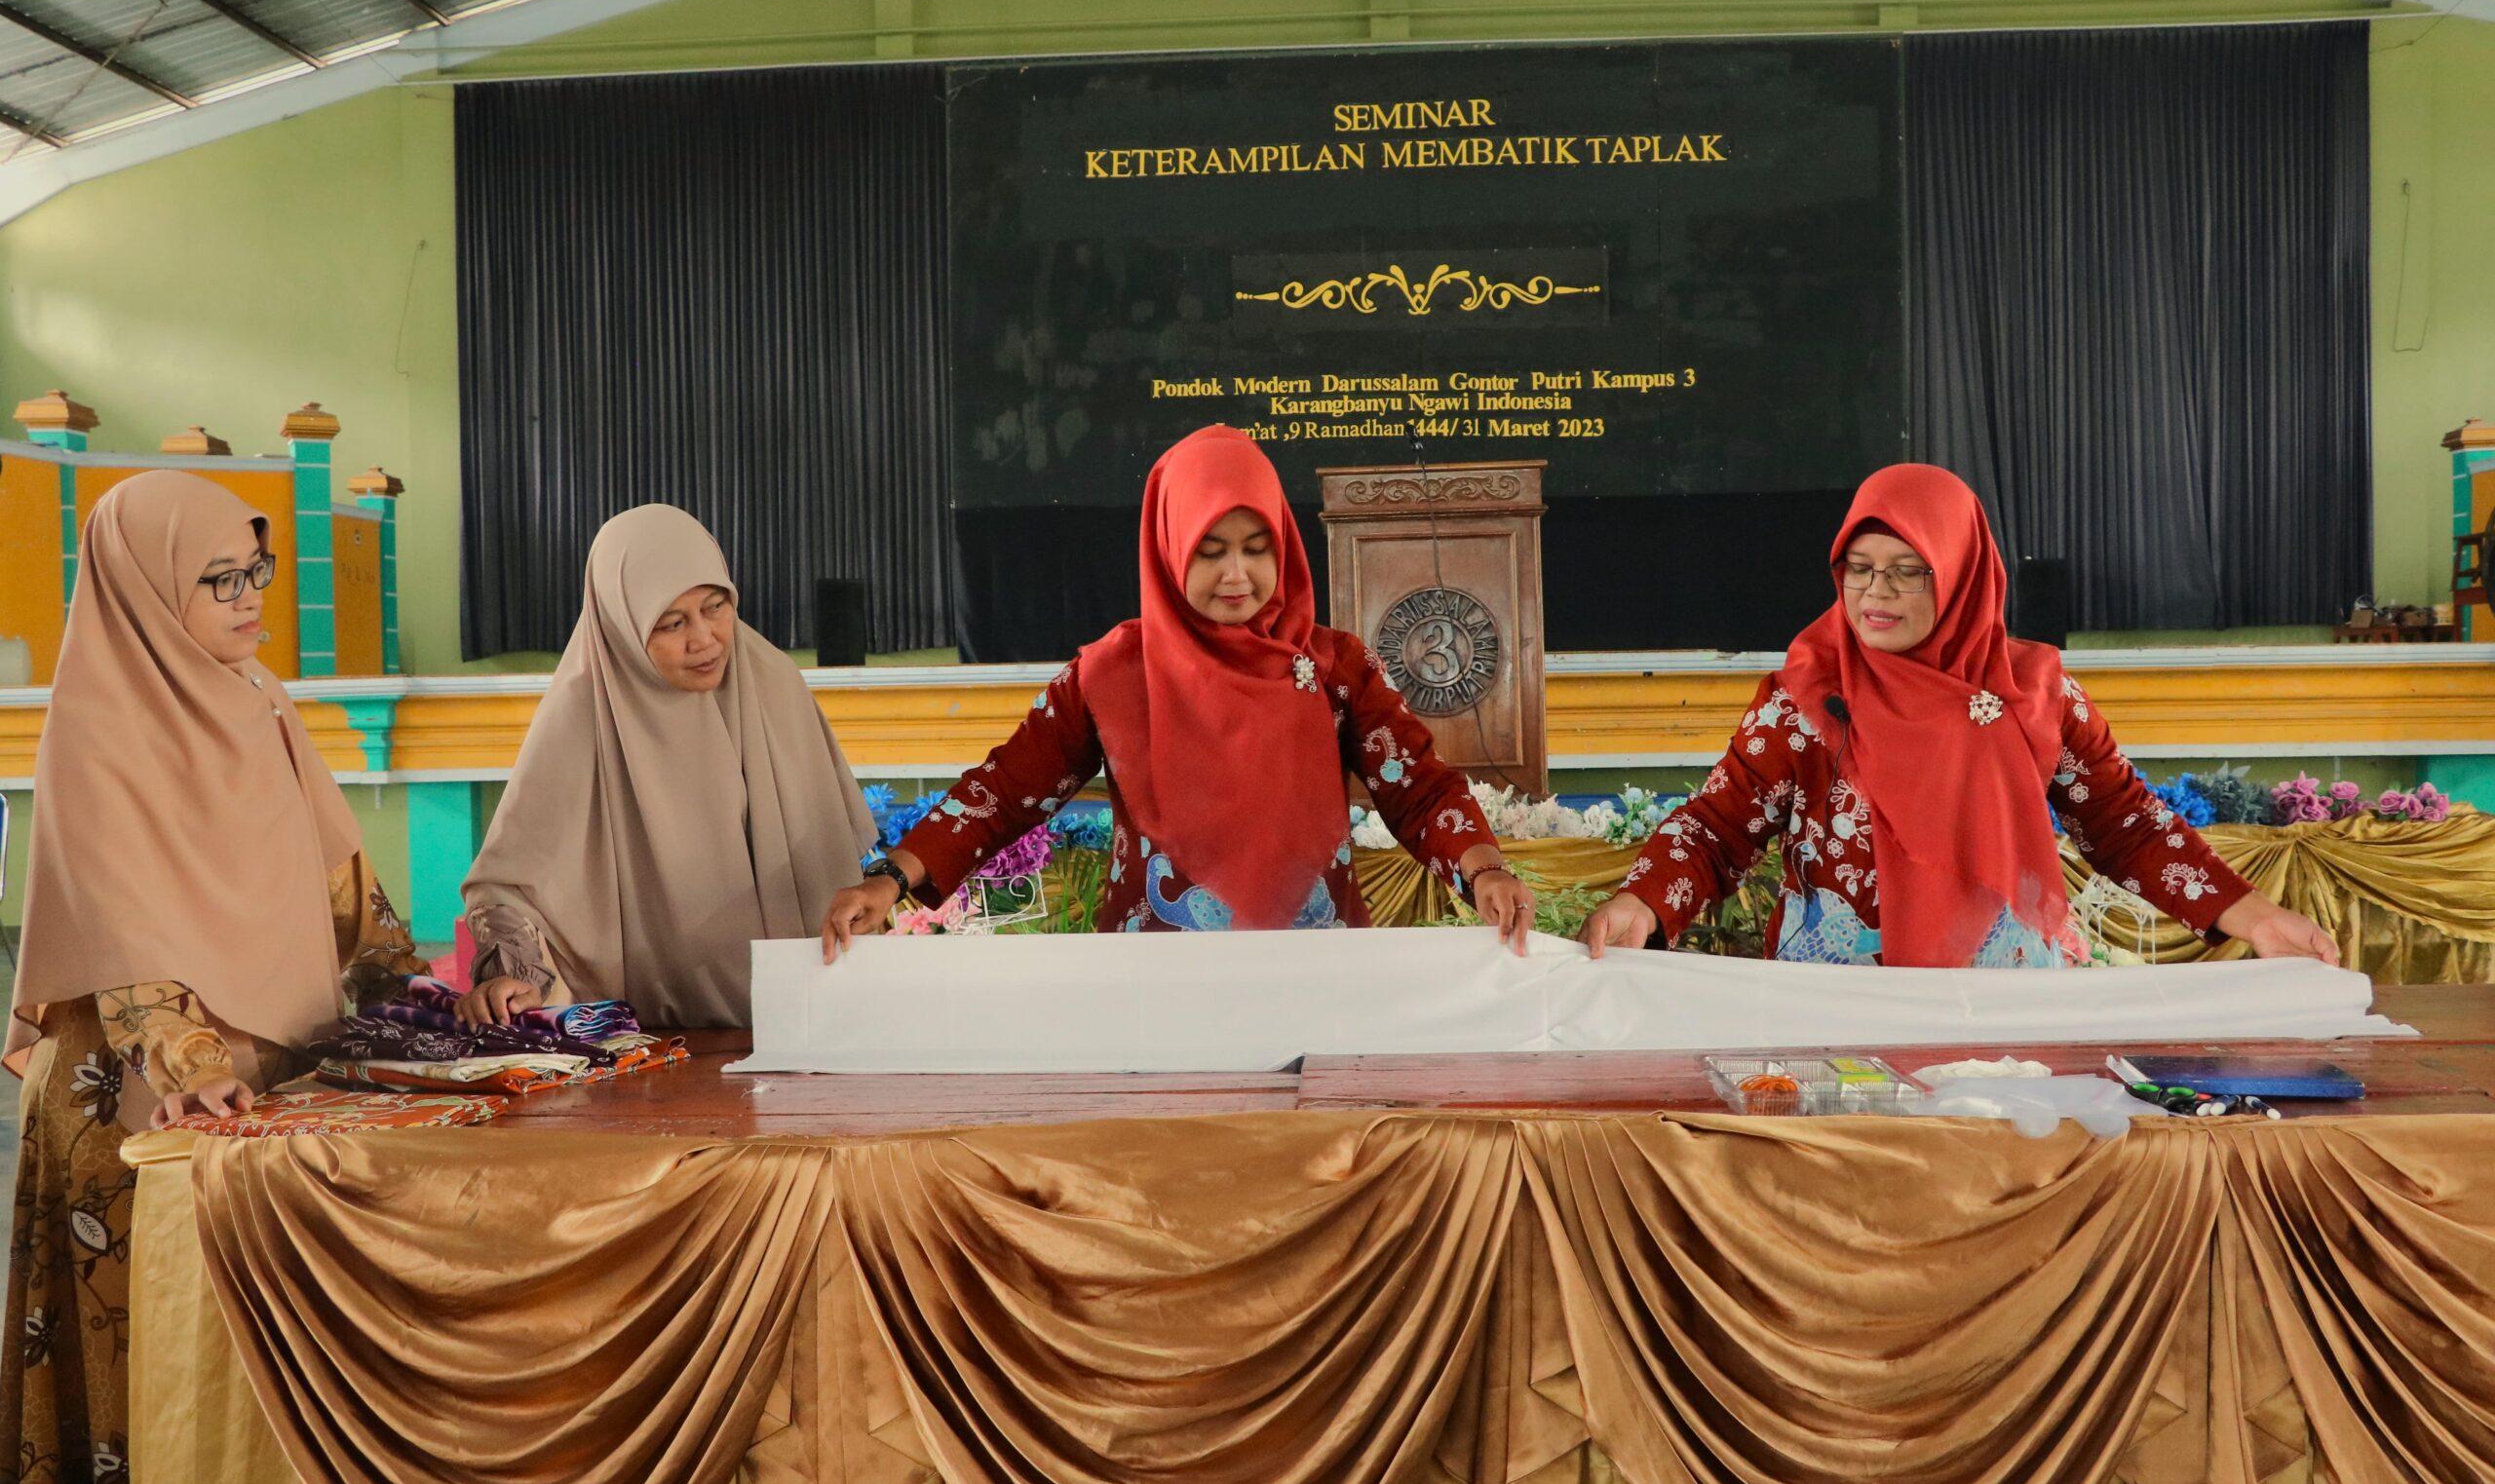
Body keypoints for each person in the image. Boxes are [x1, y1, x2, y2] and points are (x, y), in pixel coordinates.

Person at [0, 473, 426, 1484]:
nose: (248, 600)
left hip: (273, 1092)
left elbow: (342, 885)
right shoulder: (99, 728)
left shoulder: (259, 699)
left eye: (255, 573)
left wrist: (413, 997)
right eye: (217, 580)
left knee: (260, 1395)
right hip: (141, 1107)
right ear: (145, 590)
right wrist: (187, 1062)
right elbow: (124, 926)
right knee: (156, 1384)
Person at [1577, 463, 2338, 968]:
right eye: (1859, 569)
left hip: (2006, 1013)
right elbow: (1716, 829)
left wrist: (2254, 916)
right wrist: (1642, 901)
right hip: (1836, 1015)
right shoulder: (1806, 699)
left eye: (1909, 572)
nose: (1876, 594)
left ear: (1962, 573)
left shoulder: (2035, 697)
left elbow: (2127, 825)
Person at [822, 425, 1535, 949]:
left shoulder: (1333, 667)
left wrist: (1484, 873)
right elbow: (1005, 791)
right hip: (1151, 984)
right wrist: (890, 879)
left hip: (1317, 971)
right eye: (1210, 551)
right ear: (1168, 548)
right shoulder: (1111, 674)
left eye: (1257, 548)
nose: (1237, 575)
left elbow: (1421, 790)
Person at [459, 504, 878, 1029]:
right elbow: (507, 887)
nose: (704, 639)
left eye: (715, 607)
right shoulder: (582, 716)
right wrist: (513, 975)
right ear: (622, 627)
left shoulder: (772, 683)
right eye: (672, 623)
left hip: (804, 1021)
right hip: (646, 1040)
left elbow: (829, 858)